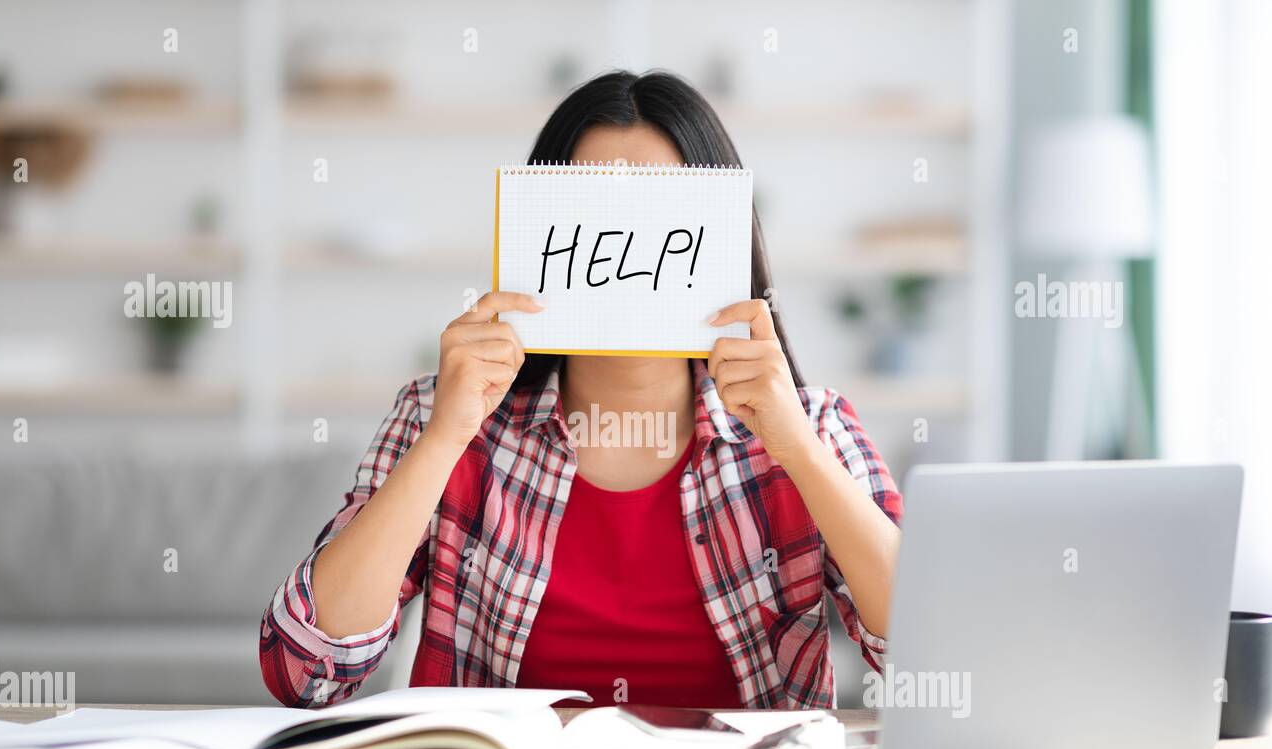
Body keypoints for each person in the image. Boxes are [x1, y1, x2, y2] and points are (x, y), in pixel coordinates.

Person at [260, 70, 902, 710]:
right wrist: (446, 439)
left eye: (661, 219)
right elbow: (303, 670)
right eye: (592, 214)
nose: (624, 249)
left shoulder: (813, 425)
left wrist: (802, 454)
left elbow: (932, 660)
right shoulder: (442, 416)